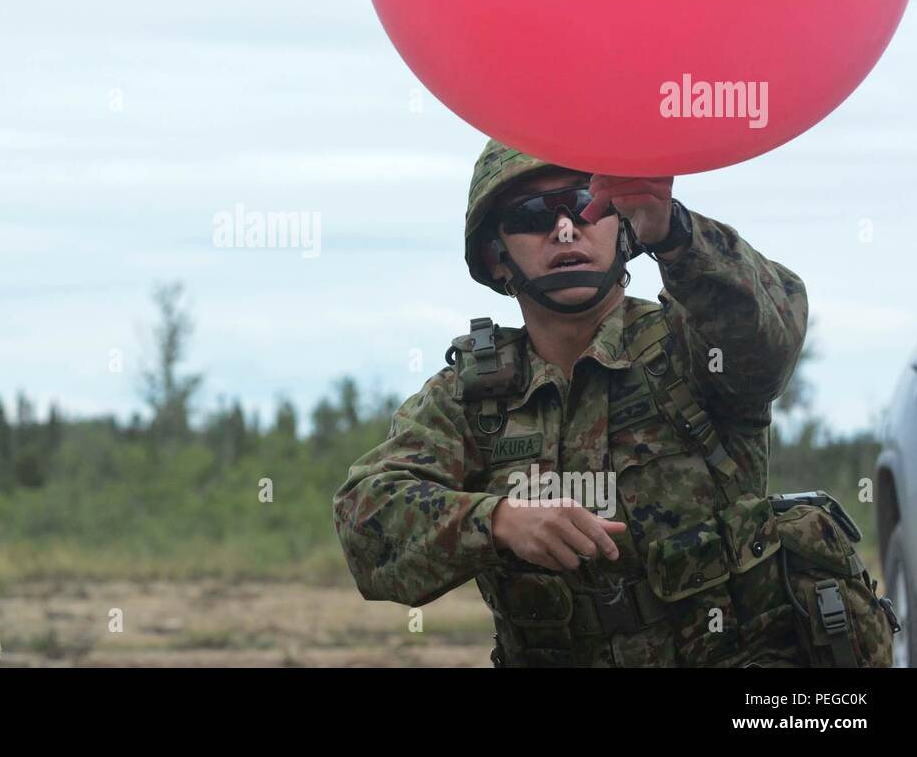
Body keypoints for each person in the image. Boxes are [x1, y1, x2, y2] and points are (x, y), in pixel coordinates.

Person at [334, 140, 894, 666]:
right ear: (496, 257)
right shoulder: (471, 399)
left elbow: (769, 336)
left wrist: (674, 232)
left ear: (623, 230)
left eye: (586, 203)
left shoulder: (691, 347)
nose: (563, 228)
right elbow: (368, 522)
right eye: (532, 215)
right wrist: (499, 520)